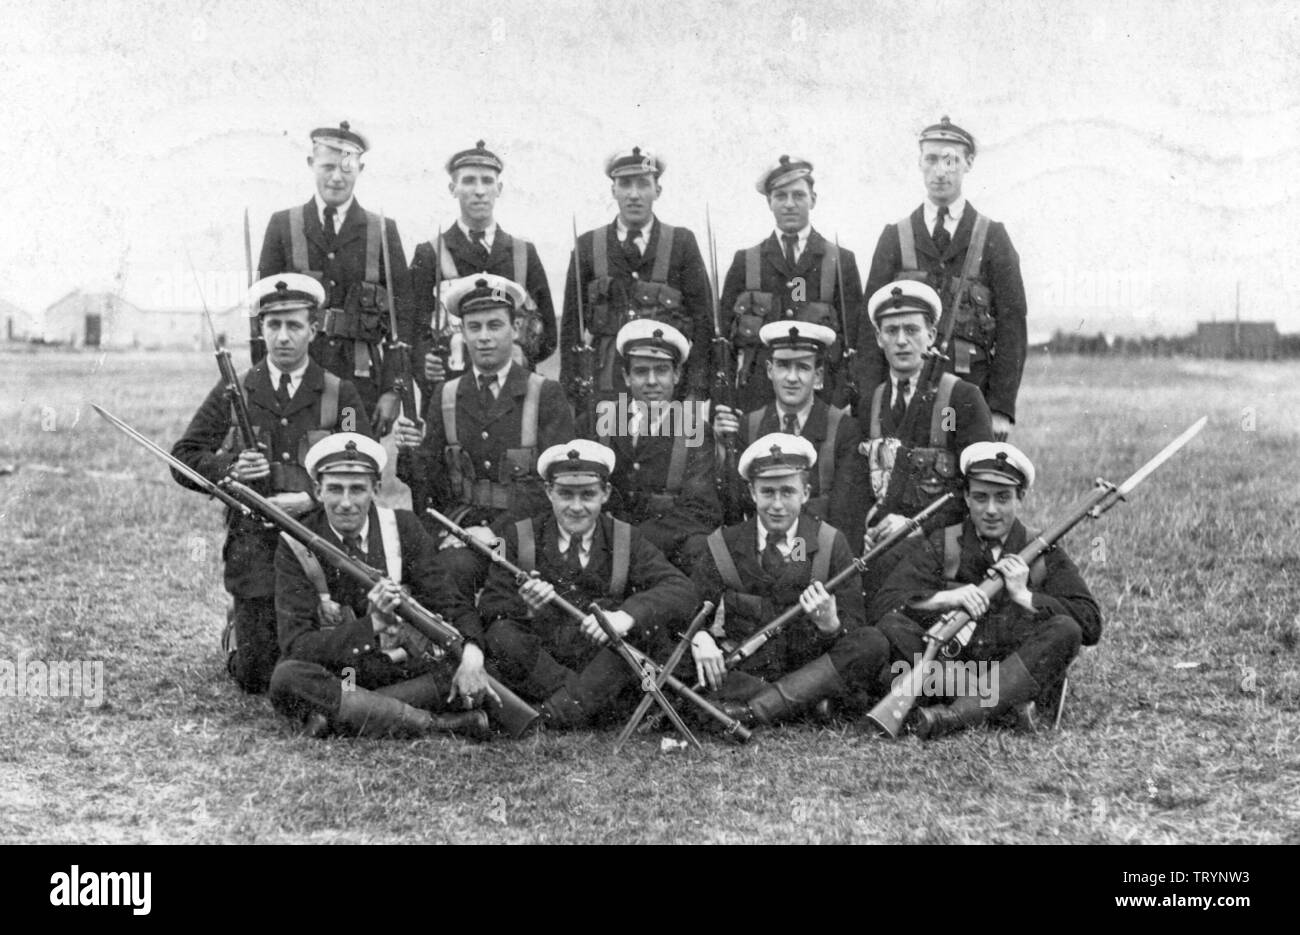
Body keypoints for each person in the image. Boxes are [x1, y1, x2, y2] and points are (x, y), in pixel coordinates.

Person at [171, 274, 371, 693]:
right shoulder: (236, 391)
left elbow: (364, 466)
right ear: (261, 330)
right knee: (256, 676)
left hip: (321, 541)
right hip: (256, 548)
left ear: (314, 329)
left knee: (339, 664)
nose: (283, 337)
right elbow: (184, 457)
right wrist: (229, 468)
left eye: (294, 325)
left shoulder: (341, 395)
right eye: (273, 325)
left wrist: (312, 497)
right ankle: (239, 633)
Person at [267, 433, 492, 739]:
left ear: (375, 488)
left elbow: (449, 601)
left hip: (396, 666)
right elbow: (297, 644)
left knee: (458, 670)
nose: (346, 502)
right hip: (340, 670)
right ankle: (436, 725)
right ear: (318, 491)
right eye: (335, 489)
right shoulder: (295, 542)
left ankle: (340, 715)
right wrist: (374, 623)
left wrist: (472, 654)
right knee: (287, 677)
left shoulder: (402, 527)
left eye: (357, 489)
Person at [870, 442, 1102, 738]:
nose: (991, 510)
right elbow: (884, 604)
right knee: (891, 627)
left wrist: (1025, 596)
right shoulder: (944, 543)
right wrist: (945, 599)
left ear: (1021, 498)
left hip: (1011, 664)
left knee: (1066, 629)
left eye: (1003, 498)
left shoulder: (1041, 549)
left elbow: (1090, 623)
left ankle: (952, 715)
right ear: (966, 498)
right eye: (980, 497)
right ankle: (1005, 706)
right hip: (952, 665)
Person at [473, 440, 699, 728]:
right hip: (546, 665)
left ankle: (553, 715)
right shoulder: (517, 536)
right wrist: (526, 608)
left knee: (639, 634)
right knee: (503, 635)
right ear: (548, 493)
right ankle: (587, 705)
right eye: (565, 494)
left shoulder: (626, 538)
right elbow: (491, 610)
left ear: (605, 494)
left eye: (588, 495)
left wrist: (625, 616)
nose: (576, 507)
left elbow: (681, 589)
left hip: (601, 658)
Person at [394, 274, 574, 627]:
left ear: (516, 328)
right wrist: (409, 450)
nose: (485, 337)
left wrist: (497, 534)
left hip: (529, 529)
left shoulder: (546, 394)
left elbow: (558, 483)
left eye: (495, 325)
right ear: (463, 332)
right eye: (474, 327)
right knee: (448, 573)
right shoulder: (445, 395)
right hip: (464, 528)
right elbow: (429, 482)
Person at [686, 434, 890, 728]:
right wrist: (700, 637)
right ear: (752, 493)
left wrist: (830, 624)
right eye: (767, 492)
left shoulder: (830, 542)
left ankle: (757, 710)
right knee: (678, 657)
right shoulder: (724, 544)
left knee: (873, 642)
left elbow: (854, 625)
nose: (777, 504)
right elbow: (691, 607)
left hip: (812, 668)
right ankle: (806, 705)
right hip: (747, 671)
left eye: (787, 492)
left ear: (805, 493)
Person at [857, 117, 1027, 440]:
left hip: (969, 394)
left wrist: (1001, 408)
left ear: (968, 163)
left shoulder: (992, 237)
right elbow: (869, 330)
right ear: (919, 163)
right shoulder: (895, 237)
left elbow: (1012, 325)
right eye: (931, 159)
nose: (940, 170)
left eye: (950, 160)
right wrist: (869, 401)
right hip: (903, 396)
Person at [257, 120, 413, 437]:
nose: (337, 177)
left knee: (350, 463)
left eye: (346, 168)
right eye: (327, 166)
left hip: (358, 385)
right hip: (297, 377)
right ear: (311, 164)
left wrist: (393, 390)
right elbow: (262, 311)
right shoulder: (283, 226)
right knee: (296, 460)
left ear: (361, 168)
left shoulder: (383, 231)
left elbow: (403, 317)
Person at [560, 147, 713, 422]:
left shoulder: (682, 244)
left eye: (643, 184)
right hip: (605, 393)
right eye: (625, 184)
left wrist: (696, 391)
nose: (634, 194)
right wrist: (571, 395)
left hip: (669, 392)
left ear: (658, 190)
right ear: (613, 191)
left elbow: (703, 321)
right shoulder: (587, 246)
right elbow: (571, 327)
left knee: (674, 460)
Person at [719, 155, 864, 412]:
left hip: (824, 401)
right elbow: (725, 346)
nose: (789, 204)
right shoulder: (746, 262)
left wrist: (844, 402)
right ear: (769, 202)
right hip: (757, 403)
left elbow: (855, 341)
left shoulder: (841, 262)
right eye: (780, 196)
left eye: (798, 195)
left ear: (813, 200)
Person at [858, 280, 992, 553]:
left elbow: (978, 487)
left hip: (943, 547)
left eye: (911, 329)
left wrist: (918, 526)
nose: (902, 341)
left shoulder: (960, 399)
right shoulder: (870, 403)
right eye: (891, 331)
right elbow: (860, 489)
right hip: (880, 545)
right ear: (878, 338)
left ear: (931, 335)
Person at [410, 140, 556, 388]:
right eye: (468, 181)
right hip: (450, 389)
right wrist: (425, 359)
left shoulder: (523, 254)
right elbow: (410, 329)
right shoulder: (430, 254)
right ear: (452, 188)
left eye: (487, 181)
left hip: (514, 391)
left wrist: (525, 354)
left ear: (499, 188)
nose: (479, 191)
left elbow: (548, 333)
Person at [712, 322, 866, 544]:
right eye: (783, 366)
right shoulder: (749, 426)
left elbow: (844, 516)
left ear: (819, 376)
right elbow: (736, 507)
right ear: (769, 371)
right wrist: (721, 448)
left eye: (803, 367)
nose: (792, 378)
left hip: (819, 554)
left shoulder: (843, 429)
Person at [593, 319, 720, 568]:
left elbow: (700, 509)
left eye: (661, 370)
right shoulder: (600, 422)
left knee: (701, 548)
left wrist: (637, 540)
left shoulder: (694, 430)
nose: (651, 381)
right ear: (626, 377)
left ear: (677, 375)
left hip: (667, 549)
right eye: (641, 371)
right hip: (607, 545)